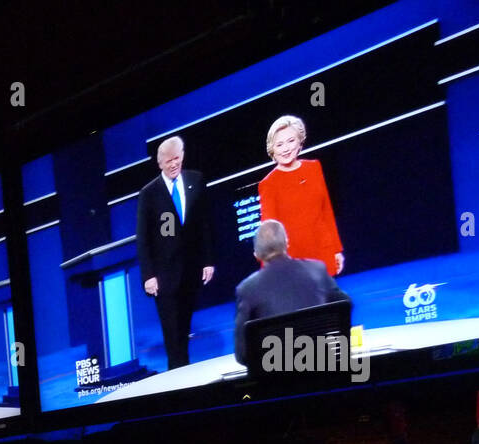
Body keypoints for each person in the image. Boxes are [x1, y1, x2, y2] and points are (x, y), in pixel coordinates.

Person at [135, 136, 215, 370]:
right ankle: (176, 376)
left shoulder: (195, 180)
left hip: (190, 271)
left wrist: (208, 261)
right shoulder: (149, 193)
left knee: (185, 328)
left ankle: (185, 370)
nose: (173, 164)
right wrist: (148, 276)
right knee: (172, 334)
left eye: (177, 158)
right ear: (160, 163)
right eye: (168, 161)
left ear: (182, 156)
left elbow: (204, 225)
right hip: (163, 276)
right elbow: (144, 238)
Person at [233, 219, 350, 364]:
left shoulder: (247, 289)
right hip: (325, 372)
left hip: (277, 380)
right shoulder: (316, 270)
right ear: (287, 243)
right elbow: (345, 305)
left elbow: (242, 354)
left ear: (256, 255)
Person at [257, 115, 344, 277]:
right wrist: (269, 269)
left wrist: (336, 250)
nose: (286, 148)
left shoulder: (314, 167)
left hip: (323, 254)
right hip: (293, 260)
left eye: (291, 141)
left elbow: (326, 213)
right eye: (279, 144)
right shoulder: (268, 184)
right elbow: (269, 230)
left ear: (300, 142)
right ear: (272, 150)